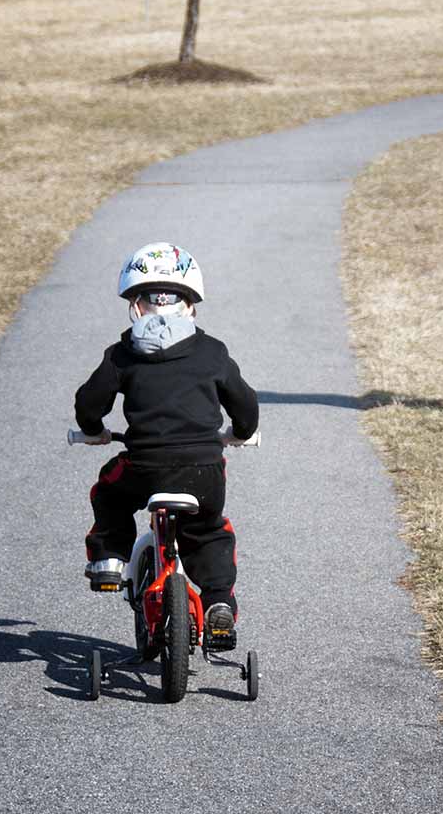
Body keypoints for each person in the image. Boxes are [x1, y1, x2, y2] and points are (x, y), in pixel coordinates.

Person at [74, 241, 259, 644]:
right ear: (190, 306)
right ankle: (217, 604)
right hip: (203, 470)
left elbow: (89, 402)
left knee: (110, 490)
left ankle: (109, 558)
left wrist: (93, 429)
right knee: (209, 530)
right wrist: (240, 433)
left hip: (143, 468)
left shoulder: (122, 354)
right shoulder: (213, 352)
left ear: (136, 306)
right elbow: (245, 404)